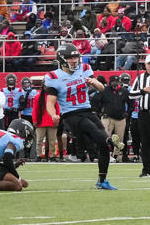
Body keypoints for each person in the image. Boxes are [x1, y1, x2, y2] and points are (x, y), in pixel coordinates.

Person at [44, 43, 122, 190]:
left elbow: (101, 88)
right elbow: (50, 102)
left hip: (87, 110)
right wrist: (53, 114)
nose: (74, 60)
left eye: (75, 57)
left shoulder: (84, 69)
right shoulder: (53, 76)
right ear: (61, 59)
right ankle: (112, 140)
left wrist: (94, 82)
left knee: (104, 146)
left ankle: (102, 180)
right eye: (70, 58)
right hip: (71, 115)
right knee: (98, 134)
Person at [96, 75, 131, 161]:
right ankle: (104, 155)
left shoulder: (124, 91)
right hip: (107, 117)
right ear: (110, 82)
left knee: (119, 139)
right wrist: (100, 112)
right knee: (104, 136)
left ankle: (115, 156)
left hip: (120, 118)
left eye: (117, 81)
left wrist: (128, 113)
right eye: (113, 82)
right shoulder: (104, 90)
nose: (115, 83)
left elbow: (131, 102)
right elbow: (97, 101)